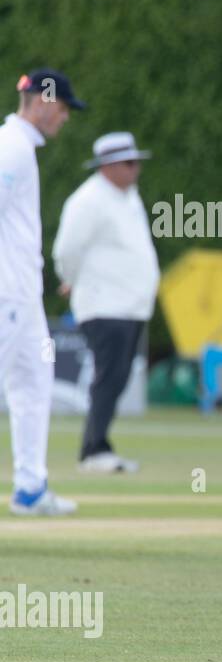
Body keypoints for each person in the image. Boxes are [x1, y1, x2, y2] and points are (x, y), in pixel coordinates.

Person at [0, 69, 83, 517]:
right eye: (64, 107)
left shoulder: (19, 149)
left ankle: (30, 489)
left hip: (23, 295)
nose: (65, 117)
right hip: (6, 293)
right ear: (43, 102)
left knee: (34, 383)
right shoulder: (11, 149)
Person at [53, 131, 159, 473]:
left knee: (118, 378)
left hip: (130, 304)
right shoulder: (88, 201)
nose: (135, 170)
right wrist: (70, 278)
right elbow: (67, 250)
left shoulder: (129, 197)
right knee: (109, 377)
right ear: (108, 166)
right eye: (129, 164)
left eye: (136, 163)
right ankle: (94, 451)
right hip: (104, 304)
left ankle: (98, 447)